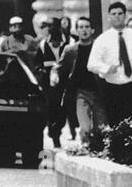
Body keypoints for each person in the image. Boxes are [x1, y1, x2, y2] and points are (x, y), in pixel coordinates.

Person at [88, 0, 132, 126]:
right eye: (113, 14)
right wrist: (106, 68)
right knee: (115, 121)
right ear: (109, 17)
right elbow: (92, 63)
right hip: (112, 86)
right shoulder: (102, 39)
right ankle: (117, 145)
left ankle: (130, 145)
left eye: (120, 13)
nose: (117, 16)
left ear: (125, 16)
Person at [55, 17, 103, 143]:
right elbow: (58, 66)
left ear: (92, 30)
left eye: (87, 27)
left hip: (99, 92)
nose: (84, 30)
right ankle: (86, 150)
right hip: (80, 93)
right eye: (81, 27)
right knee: (85, 128)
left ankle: (99, 154)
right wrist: (54, 76)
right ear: (76, 30)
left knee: (101, 129)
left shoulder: (99, 47)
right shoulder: (70, 50)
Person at [37, 18, 68, 147]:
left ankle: (59, 126)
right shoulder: (43, 45)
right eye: (53, 41)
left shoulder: (67, 45)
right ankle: (54, 132)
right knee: (51, 106)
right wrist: (41, 70)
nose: (55, 43)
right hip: (48, 83)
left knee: (63, 109)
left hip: (63, 82)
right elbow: (37, 62)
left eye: (57, 41)